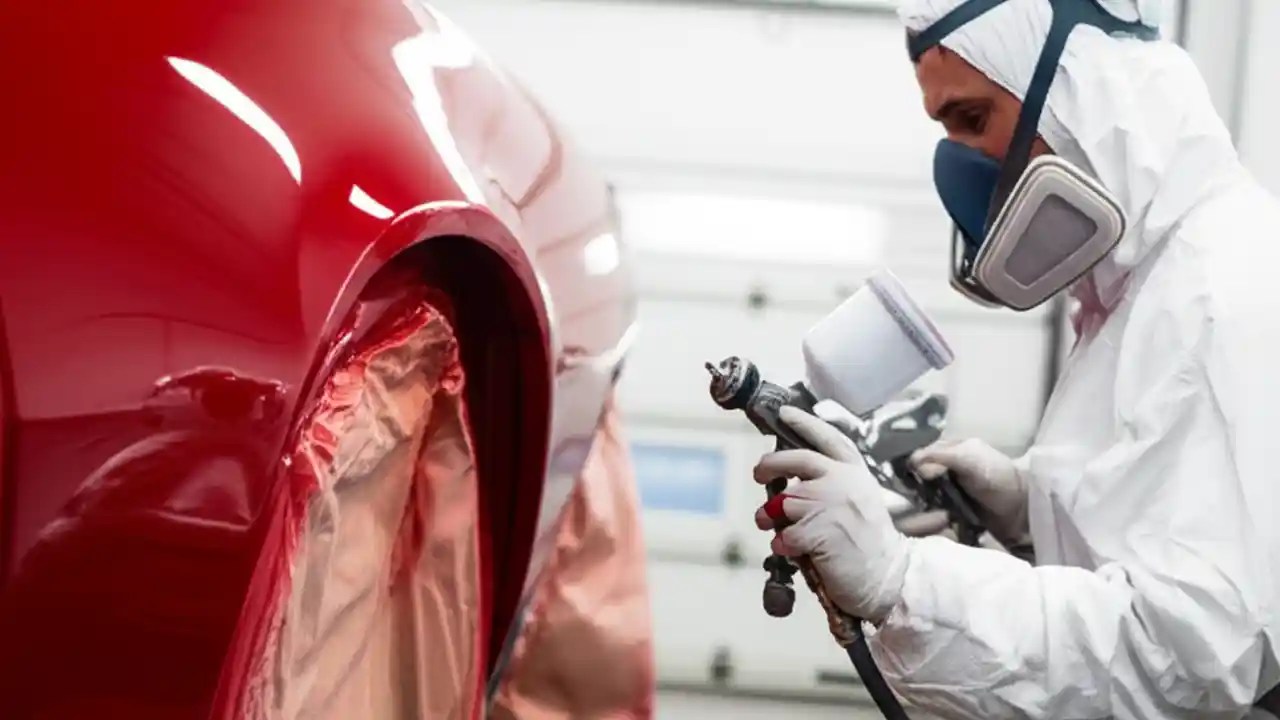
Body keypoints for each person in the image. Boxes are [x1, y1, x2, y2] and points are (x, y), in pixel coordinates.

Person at [752, 0, 1280, 717]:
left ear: (1078, 97)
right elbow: (1161, 521)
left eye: (973, 121)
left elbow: (1187, 658)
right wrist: (1029, 505)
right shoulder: (1137, 290)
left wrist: (903, 582)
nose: (963, 168)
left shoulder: (1222, 290)